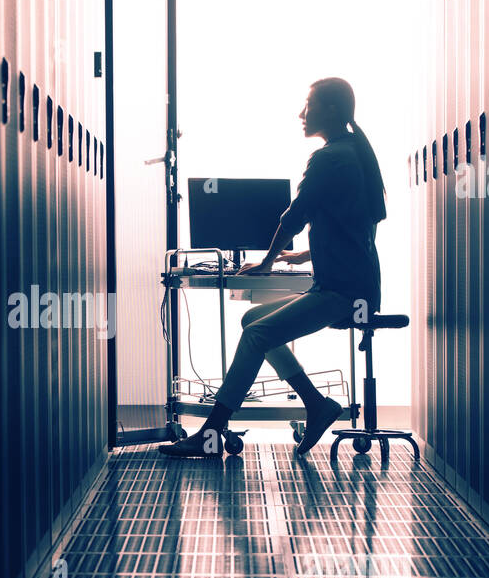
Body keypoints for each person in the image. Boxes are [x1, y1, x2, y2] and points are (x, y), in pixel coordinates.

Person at [159, 77, 387, 458]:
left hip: (342, 292)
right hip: (351, 285)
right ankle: (317, 405)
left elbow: (294, 217)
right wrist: (302, 257)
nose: (302, 113)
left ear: (330, 109)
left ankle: (211, 433)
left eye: (309, 104)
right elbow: (359, 228)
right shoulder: (354, 153)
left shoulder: (331, 157)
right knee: (253, 321)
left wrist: (266, 262)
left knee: (256, 335)